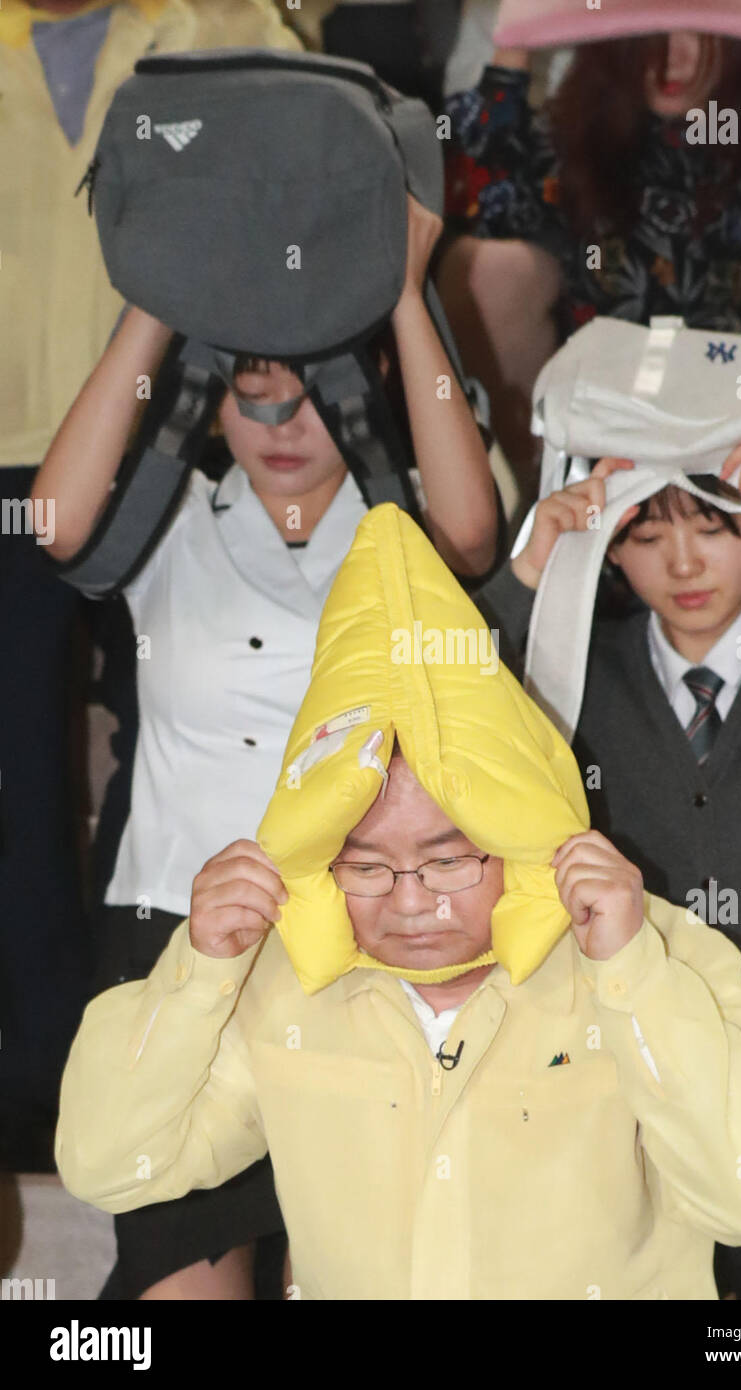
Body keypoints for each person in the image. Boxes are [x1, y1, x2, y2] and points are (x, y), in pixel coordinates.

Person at [54, 501, 741, 1300]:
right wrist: (198, 975)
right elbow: (108, 1166)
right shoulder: (276, 983)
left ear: (521, 834)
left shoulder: (653, 953)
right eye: (366, 867)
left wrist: (632, 979)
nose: (410, 902)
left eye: (450, 859)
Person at [31, 191, 498, 1300]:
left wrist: (396, 290)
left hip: (373, 939)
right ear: (211, 409)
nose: (281, 431)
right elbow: (50, 525)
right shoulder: (166, 518)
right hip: (174, 937)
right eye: (248, 403)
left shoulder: (404, 529)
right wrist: (159, 291)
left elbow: (478, 532)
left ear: (360, 391)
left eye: (306, 402)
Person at [475, 439, 741, 1299]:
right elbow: (448, 712)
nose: (685, 563)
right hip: (644, 1085)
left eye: (715, 528)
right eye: (649, 536)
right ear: (612, 549)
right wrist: (527, 579)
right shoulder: (569, 666)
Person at [0, 0, 300, 1175]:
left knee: (178, 739)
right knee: (18, 765)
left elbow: (318, 180)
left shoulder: (223, 22)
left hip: (182, 438)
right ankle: (39, 1074)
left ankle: (148, 1022)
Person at [436, 3, 741, 492]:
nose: (675, 57)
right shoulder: (578, 134)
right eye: (651, 31)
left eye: (701, 32)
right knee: (482, 264)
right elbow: (484, 195)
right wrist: (521, 30)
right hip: (612, 435)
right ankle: (542, 493)